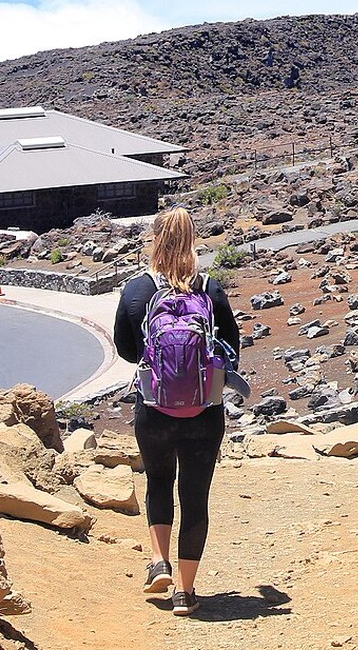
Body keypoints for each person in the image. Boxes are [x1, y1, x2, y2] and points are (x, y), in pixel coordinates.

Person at [113, 207, 239, 617]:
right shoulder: (211, 289)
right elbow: (232, 351)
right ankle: (185, 592)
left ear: (155, 240)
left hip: (154, 410)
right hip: (205, 412)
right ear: (193, 241)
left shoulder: (137, 290)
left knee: (159, 483)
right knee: (195, 498)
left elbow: (128, 350)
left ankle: (159, 562)